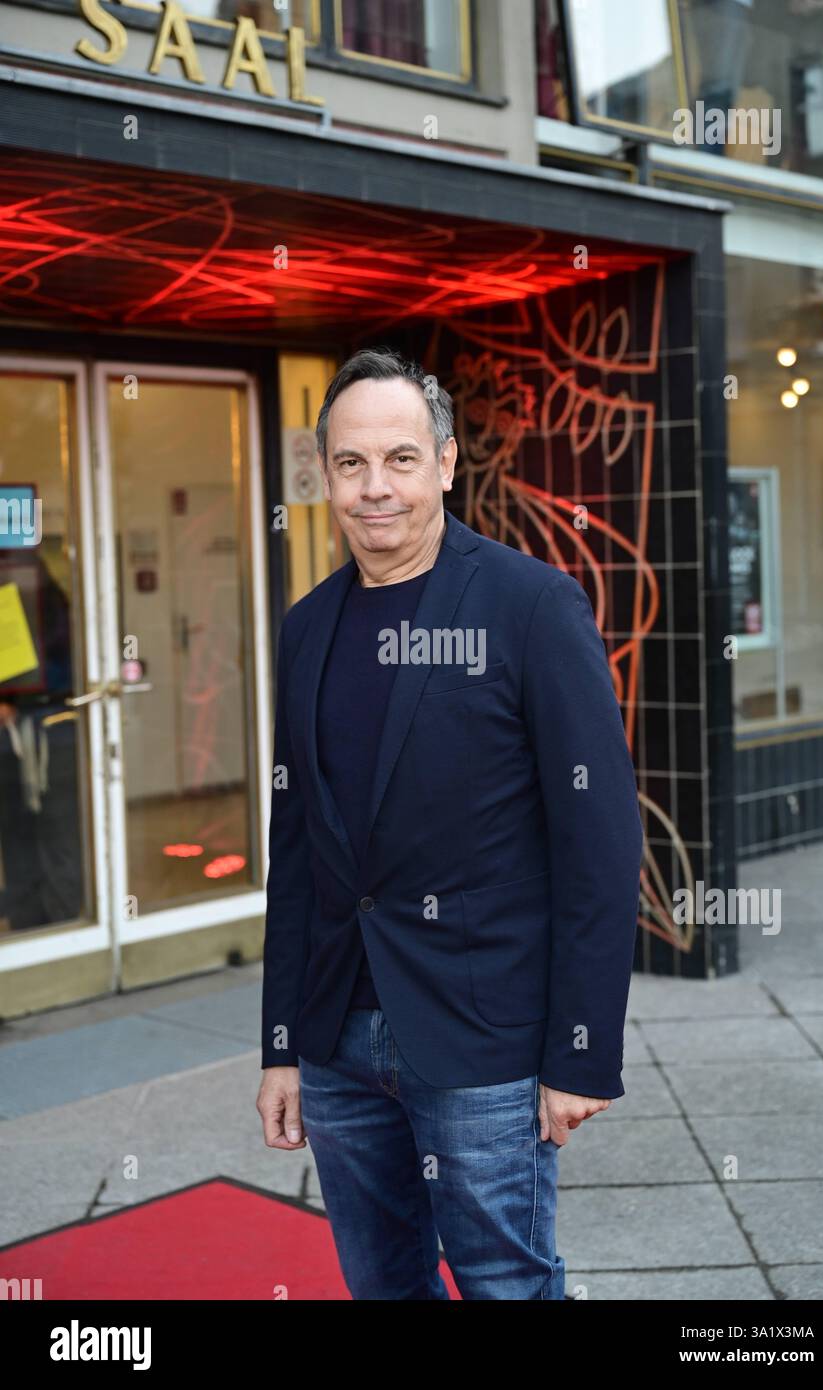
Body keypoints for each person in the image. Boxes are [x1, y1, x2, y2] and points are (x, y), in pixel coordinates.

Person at [256, 347, 644, 1300]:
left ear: (445, 463)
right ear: (325, 476)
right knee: (382, 1281)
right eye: (351, 464)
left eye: (398, 459)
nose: (374, 488)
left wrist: (581, 1050)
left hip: (486, 1039)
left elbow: (600, 839)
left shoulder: (530, 604)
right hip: (340, 1037)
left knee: (506, 1281)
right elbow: (298, 848)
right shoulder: (307, 626)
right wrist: (281, 1043)